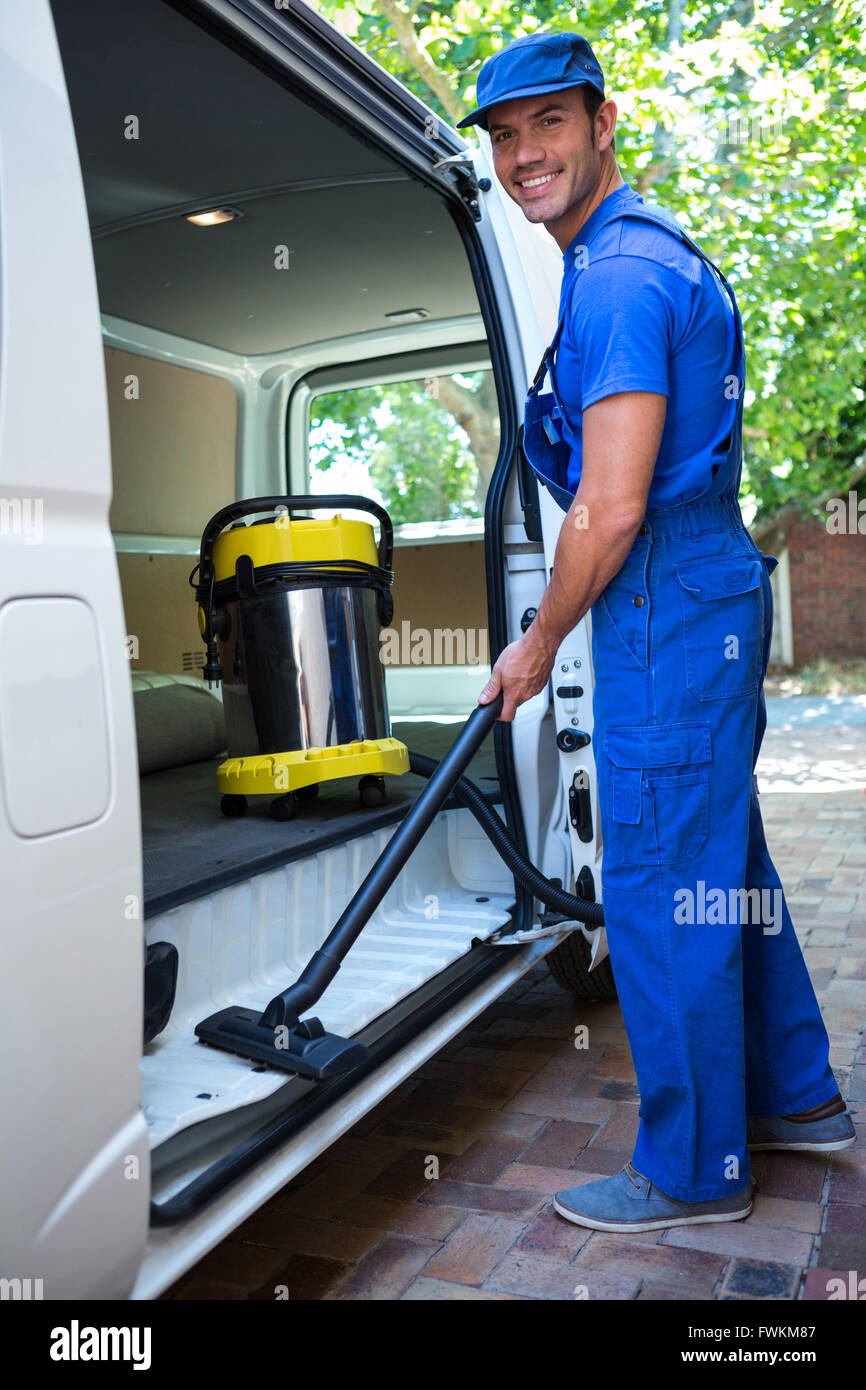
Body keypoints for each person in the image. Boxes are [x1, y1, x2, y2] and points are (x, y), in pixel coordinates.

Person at [461, 30, 855, 1232]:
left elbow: (611, 503)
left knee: (654, 879)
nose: (526, 153)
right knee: (719, 865)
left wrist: (532, 644)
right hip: (695, 594)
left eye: (548, 124)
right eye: (506, 134)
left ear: (600, 123)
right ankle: (795, 1097)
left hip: (664, 600)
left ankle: (691, 1170)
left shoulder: (622, 277)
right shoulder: (625, 259)